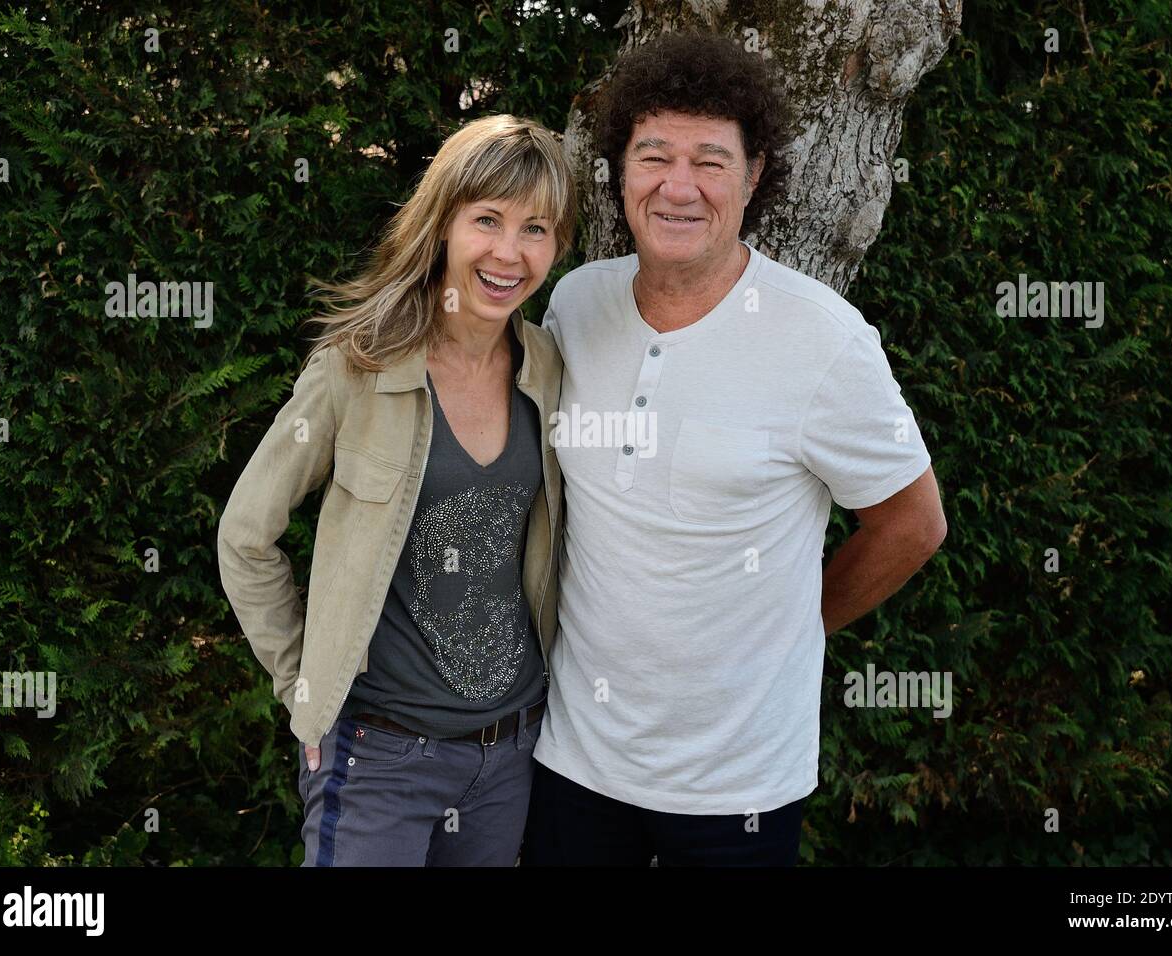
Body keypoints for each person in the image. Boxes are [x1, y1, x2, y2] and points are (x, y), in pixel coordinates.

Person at [521, 31, 948, 866]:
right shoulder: (575, 303)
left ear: (755, 177)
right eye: (654, 157)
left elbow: (913, 525)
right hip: (574, 757)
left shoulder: (824, 341)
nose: (679, 187)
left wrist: (800, 627)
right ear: (619, 171)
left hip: (737, 785)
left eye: (711, 162)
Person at [217, 114, 575, 865]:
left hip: (510, 757)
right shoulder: (356, 369)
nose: (510, 253)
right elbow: (246, 535)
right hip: (381, 757)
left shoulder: (550, 369)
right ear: (442, 222)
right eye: (488, 220)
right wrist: (303, 691)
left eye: (536, 229)